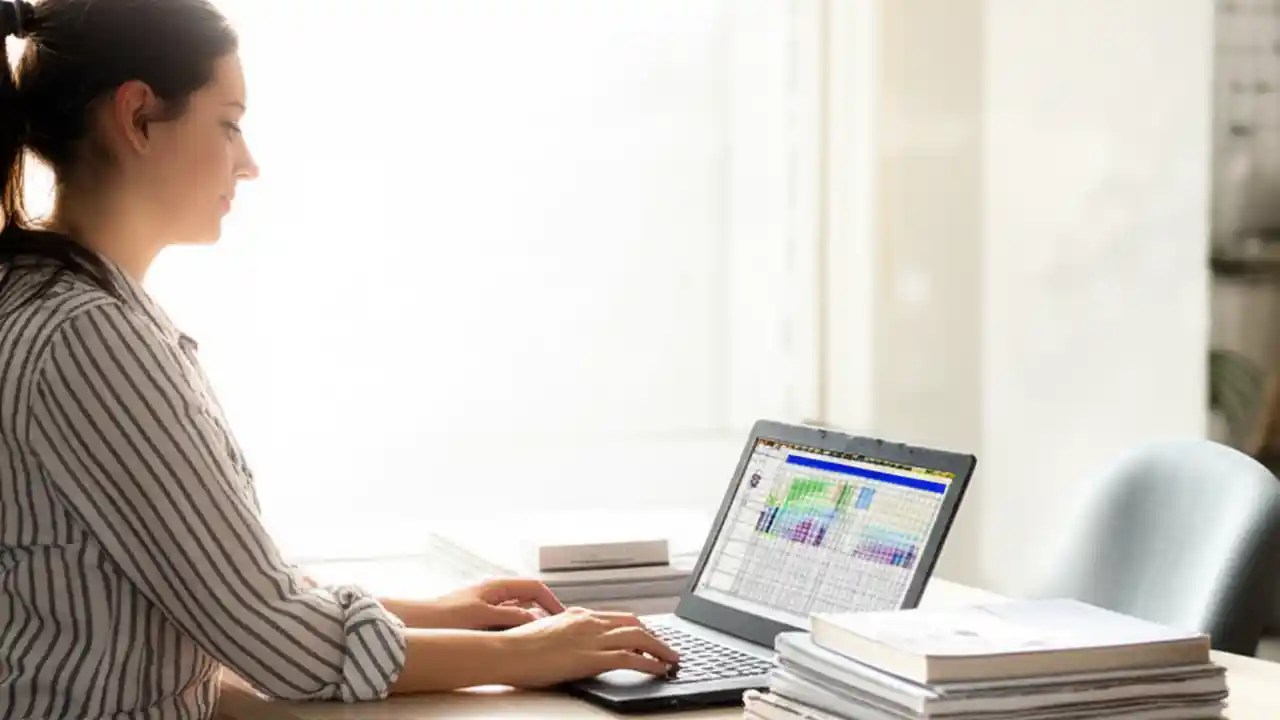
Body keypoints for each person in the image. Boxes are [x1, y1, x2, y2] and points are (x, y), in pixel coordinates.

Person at [0, 1, 679, 717]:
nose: (249, 162)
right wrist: (529, 655)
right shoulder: (88, 338)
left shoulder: (65, 306)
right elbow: (274, 637)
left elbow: (216, 587)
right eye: (228, 123)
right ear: (138, 117)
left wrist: (440, 612)